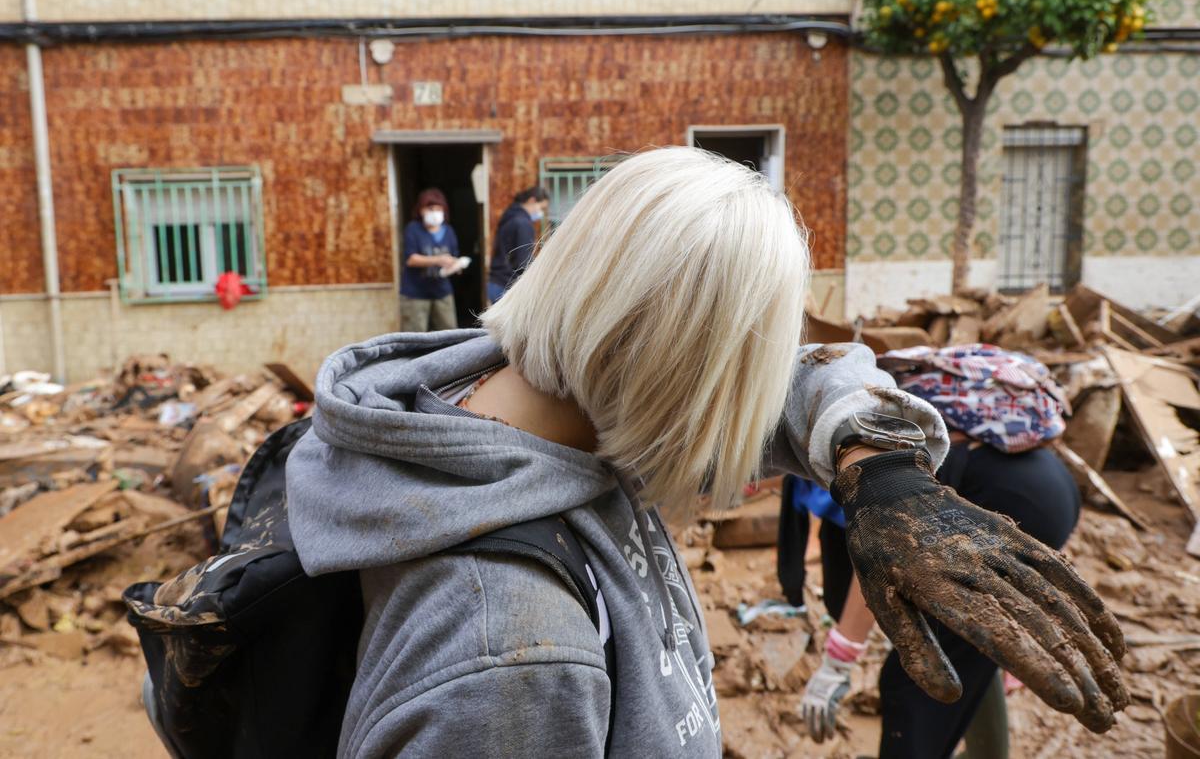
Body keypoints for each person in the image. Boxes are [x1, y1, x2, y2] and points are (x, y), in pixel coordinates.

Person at [284, 149, 1125, 757]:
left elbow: (810, 377)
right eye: (741, 374)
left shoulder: (523, 396)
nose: (754, 409)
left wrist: (882, 465)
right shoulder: (516, 658)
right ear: (690, 376)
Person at [782, 344, 1086, 759]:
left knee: (916, 680)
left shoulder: (847, 455)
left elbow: (877, 566)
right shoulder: (839, 420)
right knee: (974, 641)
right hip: (1044, 486)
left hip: (1017, 506)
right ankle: (988, 752)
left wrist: (838, 660)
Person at [400, 188, 460, 332]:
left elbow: (453, 256)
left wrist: (456, 266)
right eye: (430, 208)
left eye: (439, 209)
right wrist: (438, 260)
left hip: (442, 292)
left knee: (449, 333)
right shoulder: (413, 229)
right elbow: (411, 259)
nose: (435, 213)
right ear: (421, 210)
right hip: (416, 293)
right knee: (414, 336)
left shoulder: (449, 231)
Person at [487, 185, 549, 303]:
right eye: (542, 208)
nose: (541, 213)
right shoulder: (523, 224)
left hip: (496, 282)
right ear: (532, 201)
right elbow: (523, 262)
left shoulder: (510, 216)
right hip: (507, 286)